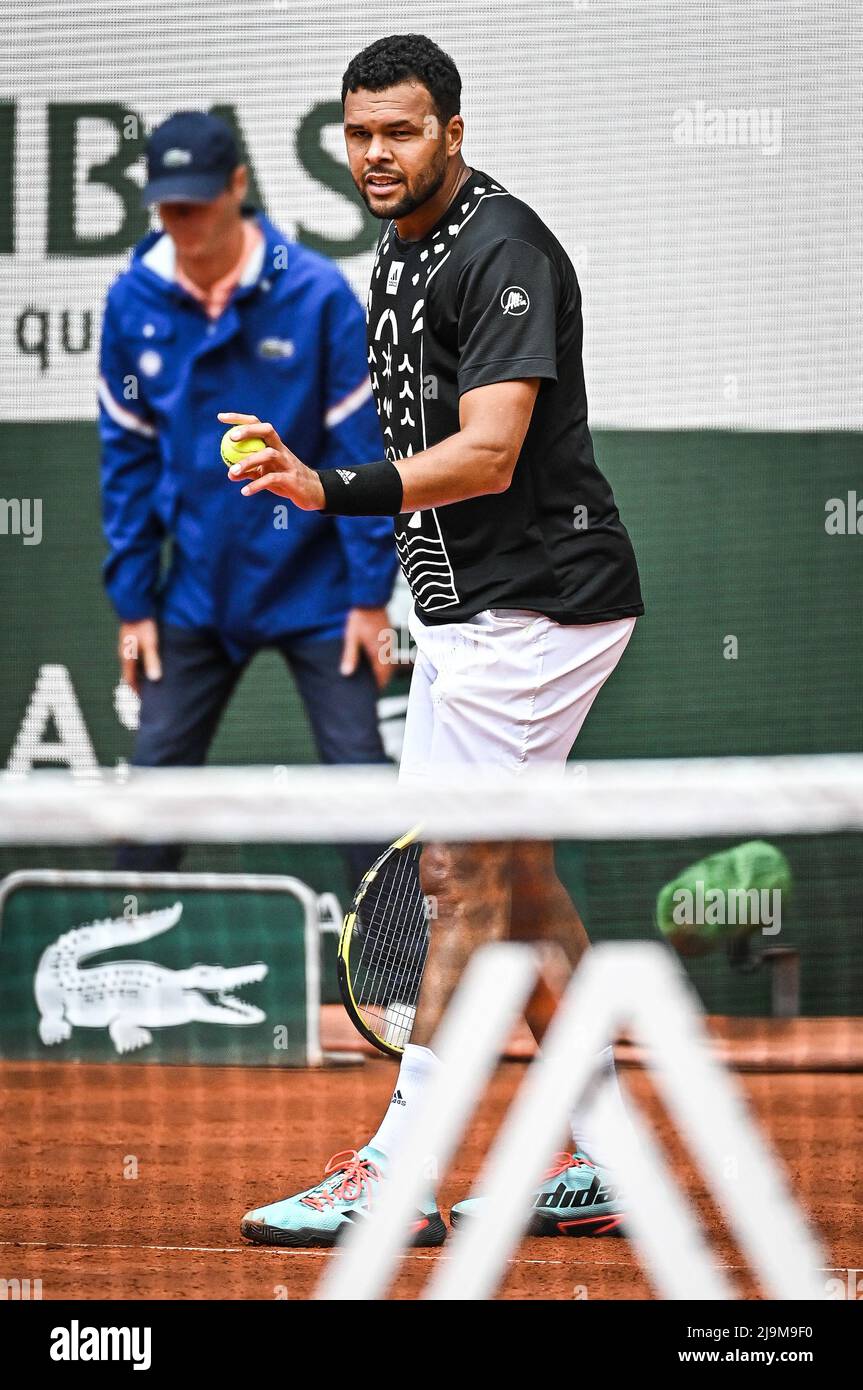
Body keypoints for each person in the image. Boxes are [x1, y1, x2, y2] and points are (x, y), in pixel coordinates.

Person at [230, 35, 644, 1247]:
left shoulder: (499, 248)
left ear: (450, 133)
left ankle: (397, 1170)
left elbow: (490, 452)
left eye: (400, 131)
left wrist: (326, 488)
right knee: (515, 885)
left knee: (456, 878)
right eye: (359, 132)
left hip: (537, 608)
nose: (375, 153)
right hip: (470, 606)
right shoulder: (399, 250)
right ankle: (609, 1154)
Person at [98, 112, 397, 884]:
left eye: (196, 202)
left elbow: (358, 453)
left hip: (320, 593)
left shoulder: (317, 294)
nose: (181, 222)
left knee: (363, 788)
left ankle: (400, 988)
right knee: (153, 789)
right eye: (167, 206)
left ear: (238, 186)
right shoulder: (132, 301)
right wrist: (135, 607)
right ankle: (110, 970)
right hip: (195, 595)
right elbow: (126, 459)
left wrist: (369, 597)